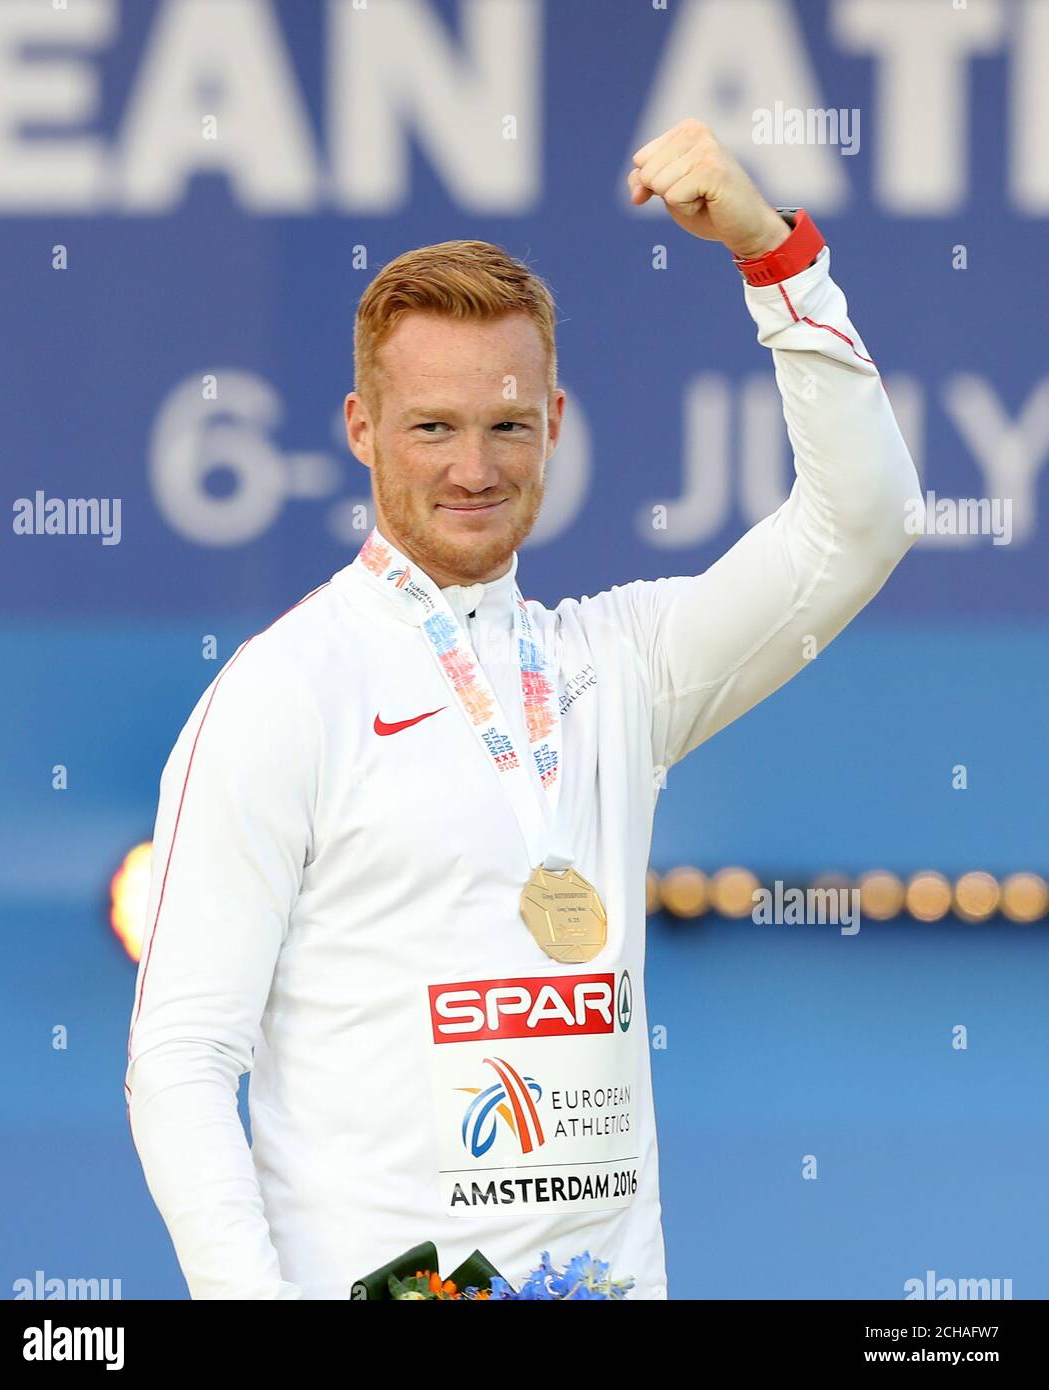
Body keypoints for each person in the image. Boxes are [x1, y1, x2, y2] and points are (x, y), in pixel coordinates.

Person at [124, 119, 922, 1299]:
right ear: (359, 431)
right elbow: (182, 1062)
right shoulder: (284, 691)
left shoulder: (619, 666)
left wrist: (770, 253)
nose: (472, 468)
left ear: (554, 426)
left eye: (505, 425)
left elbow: (864, 521)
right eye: (431, 426)